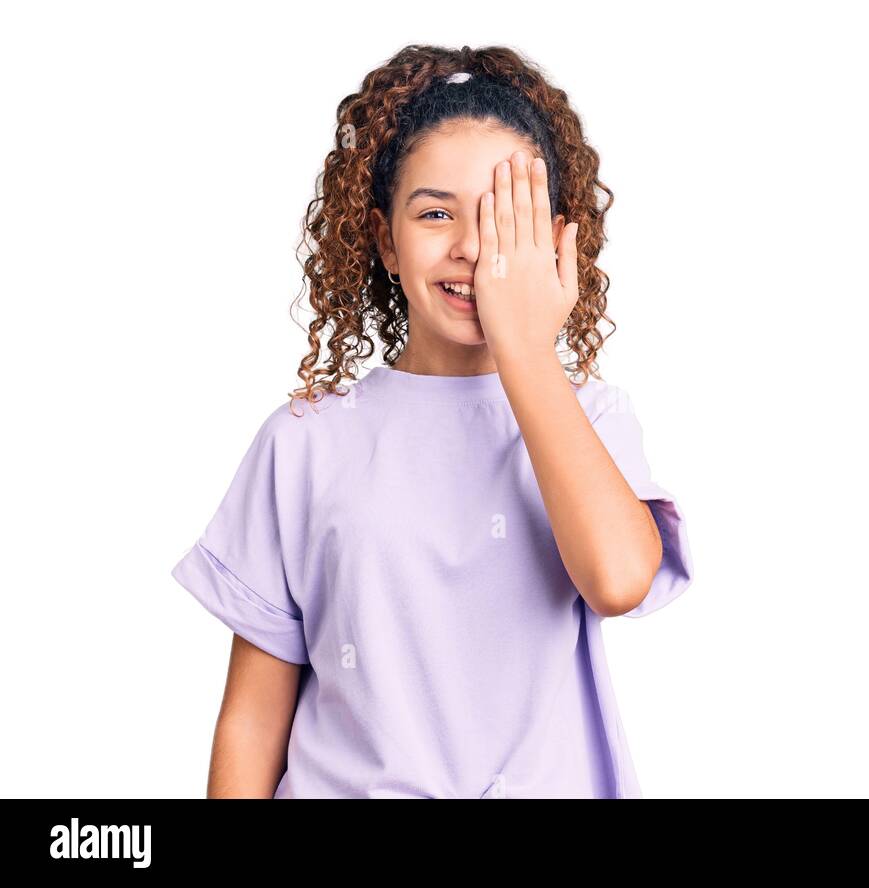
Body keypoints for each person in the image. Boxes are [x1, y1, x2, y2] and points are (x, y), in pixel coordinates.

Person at [170, 44, 694, 798]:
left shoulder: (593, 421)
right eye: (436, 213)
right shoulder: (305, 442)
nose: (473, 248)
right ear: (384, 239)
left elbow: (616, 579)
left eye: (504, 219)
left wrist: (524, 345)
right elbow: (252, 720)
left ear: (554, 244)